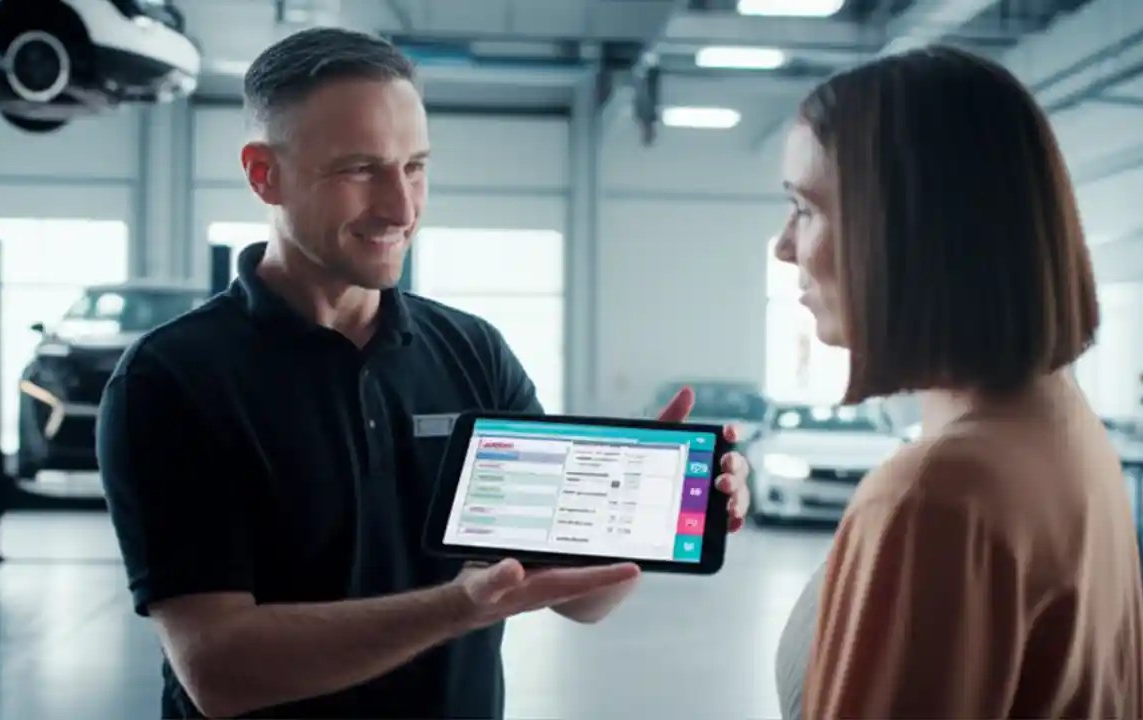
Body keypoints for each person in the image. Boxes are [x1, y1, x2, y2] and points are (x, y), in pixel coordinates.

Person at [96, 27, 751, 720]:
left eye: (414, 167)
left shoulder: (472, 351)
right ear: (266, 174)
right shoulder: (172, 380)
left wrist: (633, 516)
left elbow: (581, 598)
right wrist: (455, 607)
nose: (402, 208)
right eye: (359, 170)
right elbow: (218, 669)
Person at [770, 46, 1143, 718]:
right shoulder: (1058, 423)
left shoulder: (936, 493)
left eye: (805, 208)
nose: (784, 246)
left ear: (902, 225)